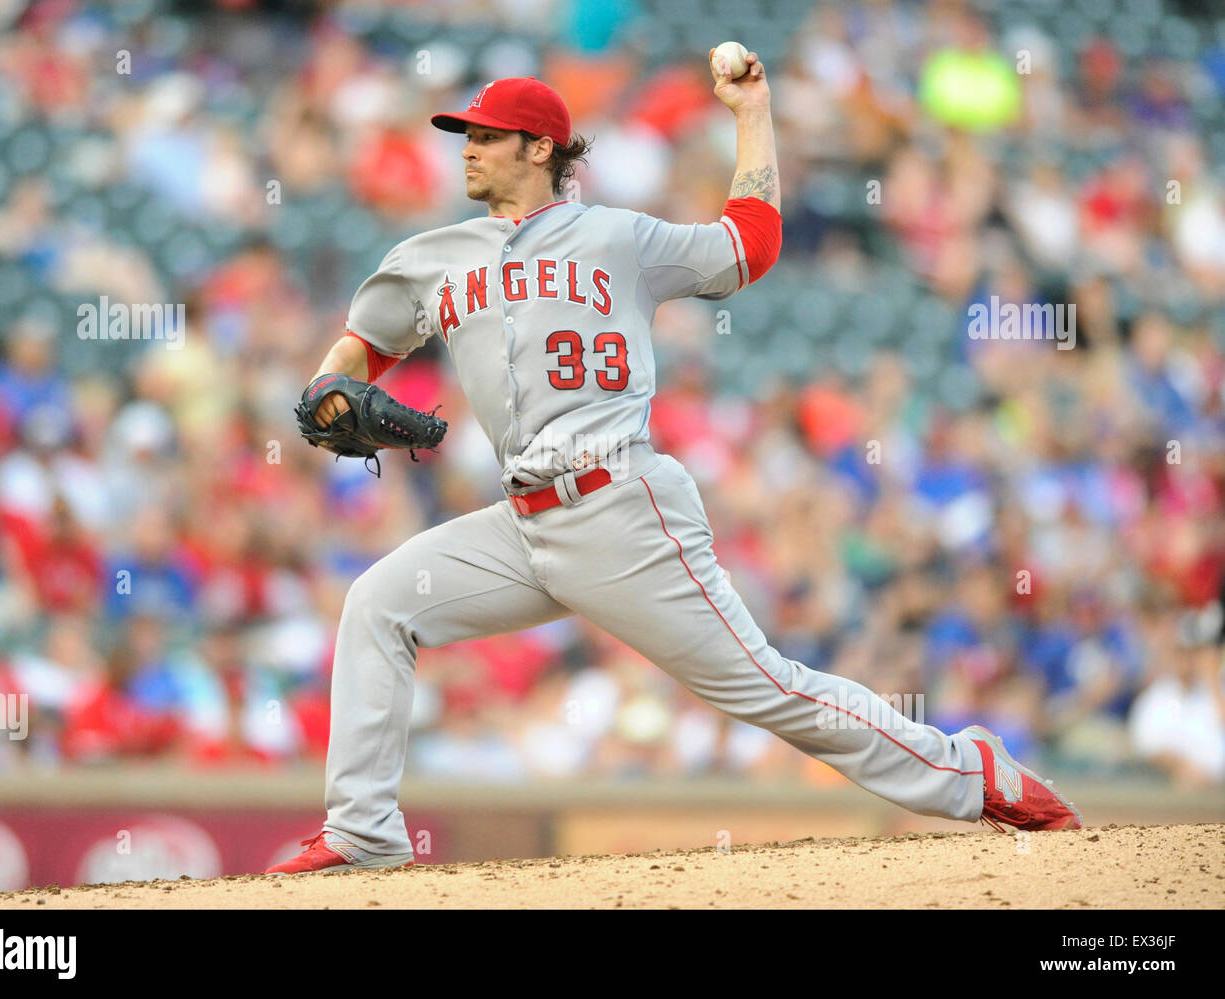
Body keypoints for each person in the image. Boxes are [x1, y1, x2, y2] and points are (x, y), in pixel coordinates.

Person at [269, 52, 1082, 875]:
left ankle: (971, 770)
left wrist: (751, 113)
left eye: (489, 134)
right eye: (466, 133)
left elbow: (751, 244)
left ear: (541, 149)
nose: (468, 147)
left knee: (767, 687)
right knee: (379, 603)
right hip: (521, 525)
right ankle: (363, 828)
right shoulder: (437, 254)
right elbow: (366, 342)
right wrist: (332, 385)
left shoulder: (619, 235)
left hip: (621, 508)